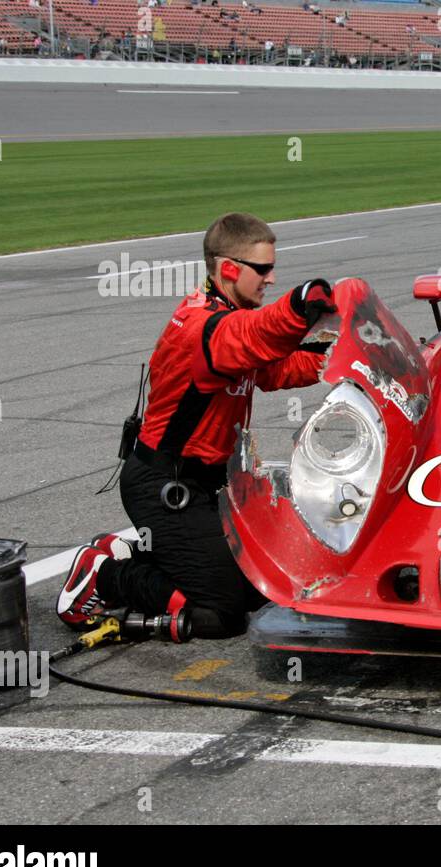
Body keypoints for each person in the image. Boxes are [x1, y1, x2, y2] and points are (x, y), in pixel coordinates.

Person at [56, 213, 335, 640]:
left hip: (206, 485)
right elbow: (260, 335)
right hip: (166, 486)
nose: (271, 278)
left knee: (261, 591)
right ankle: (105, 574)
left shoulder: (228, 317)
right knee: (220, 616)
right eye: (262, 270)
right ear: (228, 269)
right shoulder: (204, 327)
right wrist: (302, 304)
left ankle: (140, 555)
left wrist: (341, 359)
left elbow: (275, 369)